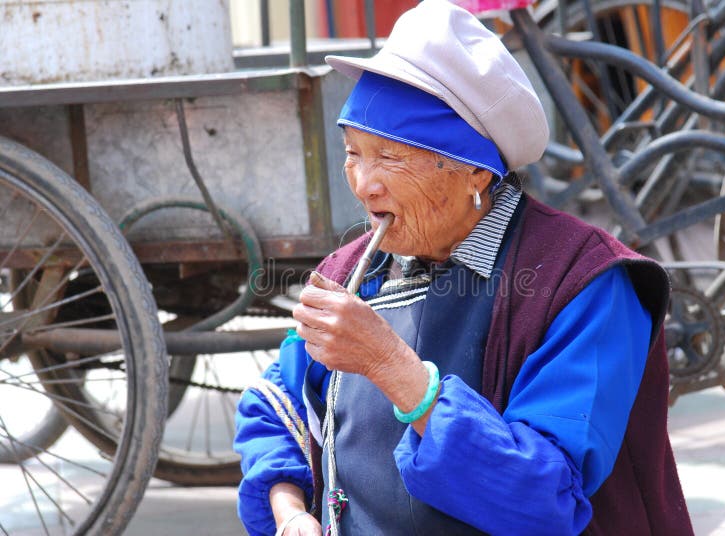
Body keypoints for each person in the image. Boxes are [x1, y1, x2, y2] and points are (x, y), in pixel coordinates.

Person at [234, 1, 692, 534]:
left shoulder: (584, 285)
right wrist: (291, 515)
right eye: (354, 152)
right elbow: (278, 408)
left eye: (391, 157)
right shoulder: (351, 272)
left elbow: (546, 498)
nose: (363, 183)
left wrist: (392, 368)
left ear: (475, 172)